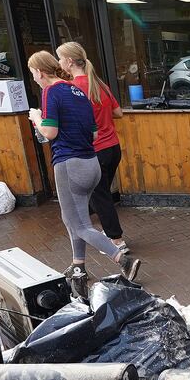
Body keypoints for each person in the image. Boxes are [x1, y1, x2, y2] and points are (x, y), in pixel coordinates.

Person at [27, 50, 128, 293]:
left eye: (33, 74)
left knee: (81, 225)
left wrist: (37, 118)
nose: (34, 79)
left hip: (69, 164)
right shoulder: (78, 90)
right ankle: (78, 266)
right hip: (91, 162)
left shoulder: (50, 91)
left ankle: (123, 259)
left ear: (40, 72)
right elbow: (93, 133)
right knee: (72, 219)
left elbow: (50, 133)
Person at [56, 40, 128, 257]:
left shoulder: (73, 88)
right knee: (97, 193)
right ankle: (95, 231)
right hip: (113, 148)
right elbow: (118, 113)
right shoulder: (99, 84)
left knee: (100, 196)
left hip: (94, 150)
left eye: (60, 58)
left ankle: (117, 241)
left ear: (69, 61)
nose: (59, 62)